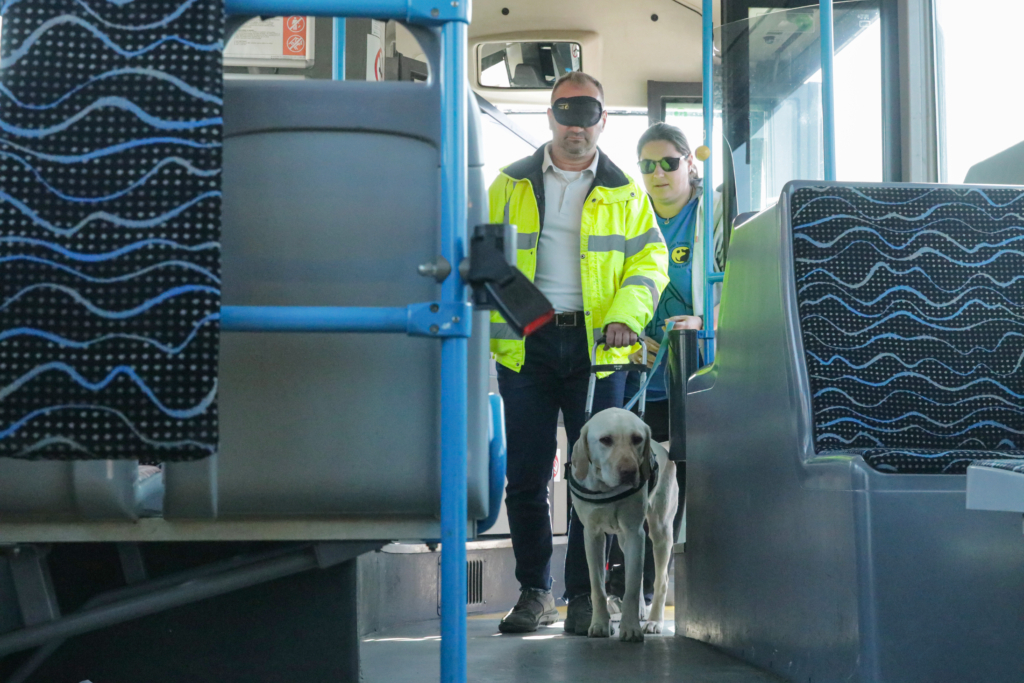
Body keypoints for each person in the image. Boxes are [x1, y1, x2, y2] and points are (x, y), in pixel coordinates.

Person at [489, 72, 669, 635]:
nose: (576, 123)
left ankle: (585, 596)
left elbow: (649, 264)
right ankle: (534, 591)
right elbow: (486, 257)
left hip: (602, 346)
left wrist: (624, 317)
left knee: (592, 474)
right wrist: (527, 317)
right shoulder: (508, 184)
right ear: (549, 116)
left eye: (587, 111)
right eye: (565, 111)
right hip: (528, 344)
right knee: (526, 472)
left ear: (602, 120)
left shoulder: (626, 193)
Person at [605, 122, 724, 611]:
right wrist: (628, 339)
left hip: (698, 370)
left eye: (669, 162)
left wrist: (703, 320)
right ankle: (627, 585)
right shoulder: (631, 217)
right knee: (630, 480)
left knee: (698, 480)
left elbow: (733, 277)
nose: (658, 174)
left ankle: (705, 585)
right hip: (641, 373)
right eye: (647, 165)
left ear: (689, 164)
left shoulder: (712, 216)